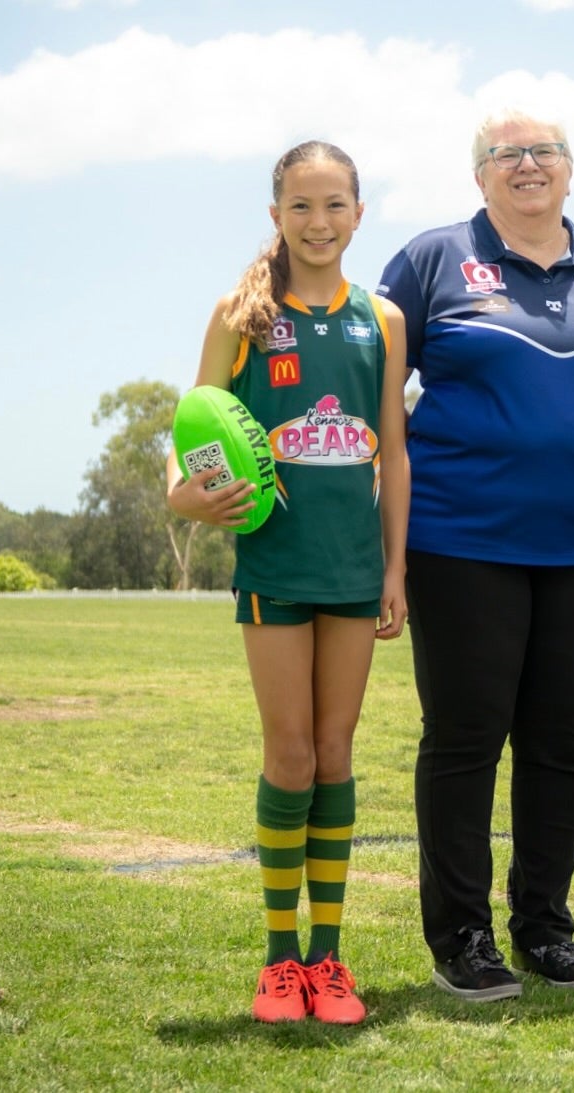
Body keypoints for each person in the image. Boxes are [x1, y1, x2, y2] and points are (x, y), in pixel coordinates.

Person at [377, 110, 574, 1002]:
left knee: (560, 744)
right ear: (480, 175)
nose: (527, 165)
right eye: (506, 154)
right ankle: (461, 937)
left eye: (544, 152)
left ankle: (545, 929)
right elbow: (382, 402)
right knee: (465, 739)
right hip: (460, 540)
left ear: (570, 168)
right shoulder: (431, 260)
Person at [167, 140, 410, 1025]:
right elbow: (190, 434)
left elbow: (394, 449)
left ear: (359, 213)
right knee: (291, 755)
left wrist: (395, 567)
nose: (318, 222)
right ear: (275, 216)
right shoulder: (241, 316)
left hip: (353, 569)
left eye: (335, 204)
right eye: (301, 206)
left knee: (336, 754)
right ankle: (278, 963)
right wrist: (189, 496)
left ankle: (328, 960)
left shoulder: (382, 319)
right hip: (273, 566)